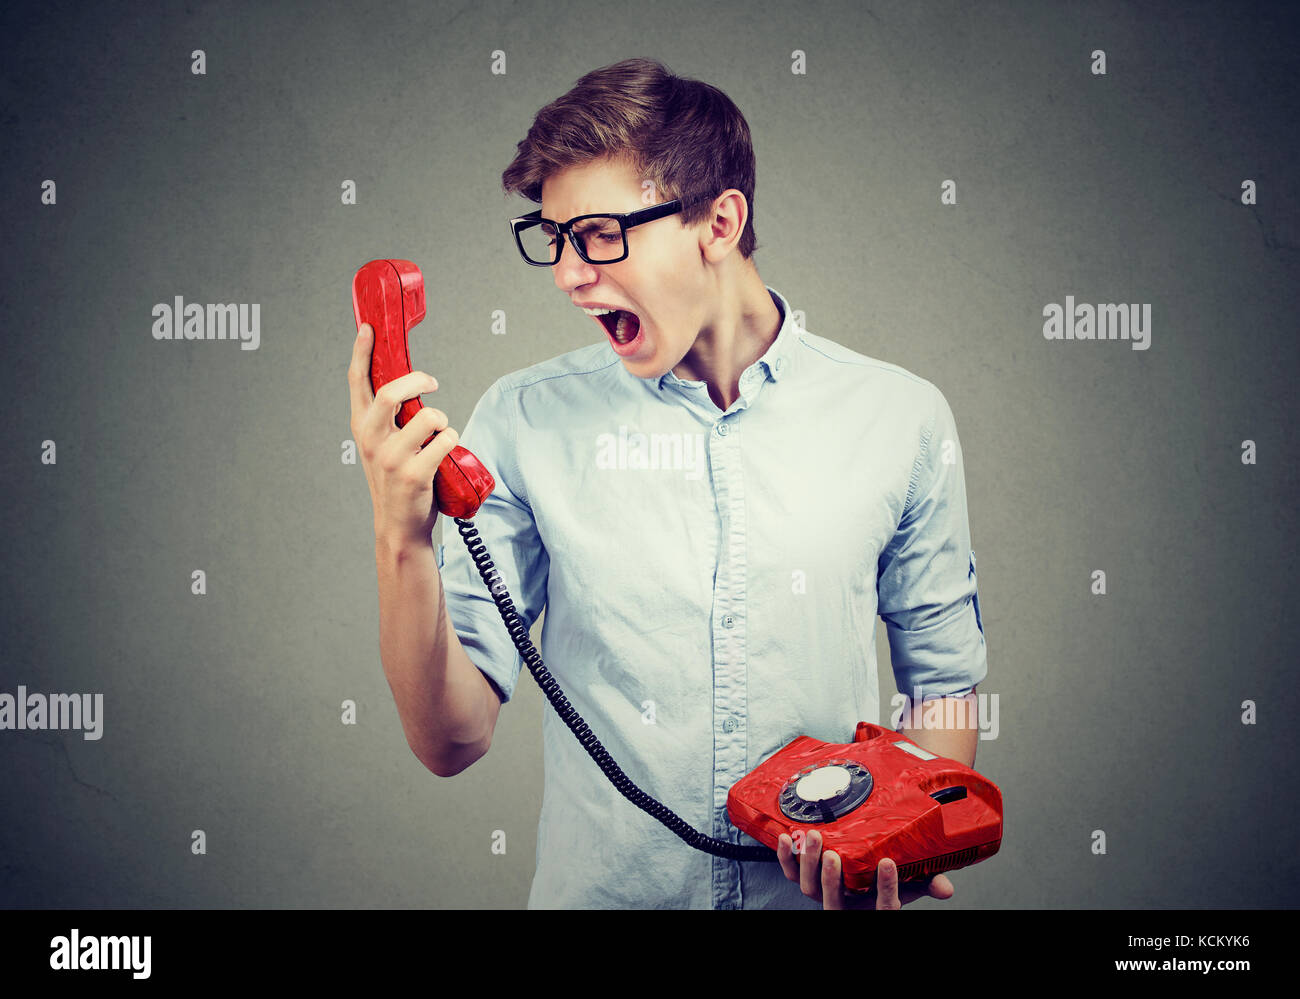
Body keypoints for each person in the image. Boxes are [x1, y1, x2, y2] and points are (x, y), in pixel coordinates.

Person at [347, 58, 989, 909]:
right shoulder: (523, 420)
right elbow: (450, 738)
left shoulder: (902, 417)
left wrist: (900, 837)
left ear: (719, 223)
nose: (569, 273)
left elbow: (941, 682)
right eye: (555, 238)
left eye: (602, 233)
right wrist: (401, 536)